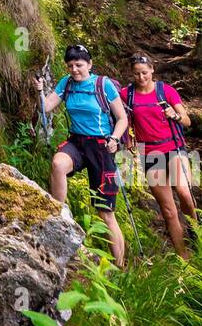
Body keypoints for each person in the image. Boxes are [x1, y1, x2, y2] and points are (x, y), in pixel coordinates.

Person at [33, 44, 130, 268]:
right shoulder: (66, 83)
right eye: (70, 65)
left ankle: (120, 267)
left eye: (79, 65)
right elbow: (45, 107)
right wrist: (39, 91)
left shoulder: (103, 85)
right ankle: (58, 216)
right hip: (77, 142)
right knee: (58, 164)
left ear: (89, 64)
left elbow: (122, 118)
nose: (74, 69)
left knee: (105, 213)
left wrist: (114, 138)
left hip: (102, 147)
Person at [124, 52, 197, 258]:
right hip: (149, 154)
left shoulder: (166, 91)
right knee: (168, 211)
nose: (141, 77)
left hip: (174, 149)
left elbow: (187, 120)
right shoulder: (127, 94)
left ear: (152, 69)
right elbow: (118, 113)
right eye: (136, 74)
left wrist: (175, 115)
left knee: (184, 192)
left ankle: (196, 231)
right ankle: (183, 257)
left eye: (144, 73)